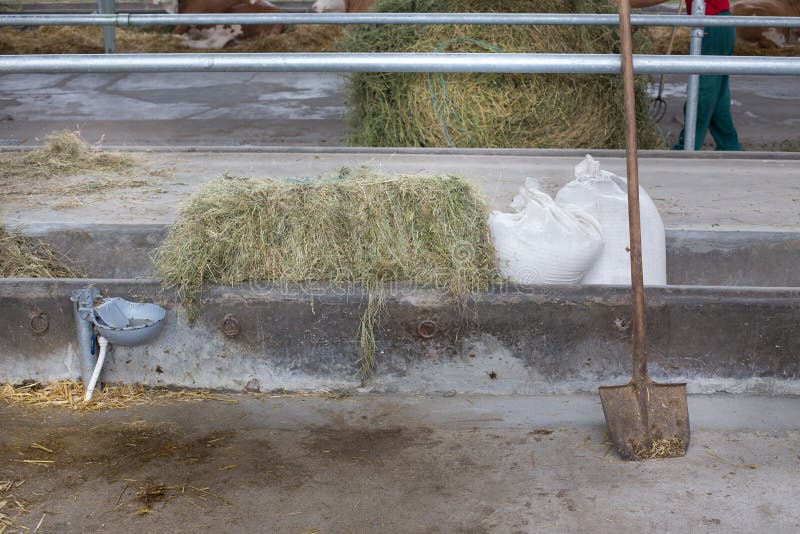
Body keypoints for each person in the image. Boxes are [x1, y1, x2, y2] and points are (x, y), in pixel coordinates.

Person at [618, 0, 742, 150]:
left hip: (711, 25)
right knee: (718, 92)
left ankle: (688, 146)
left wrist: (627, 3)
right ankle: (729, 145)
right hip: (722, 23)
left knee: (702, 91)